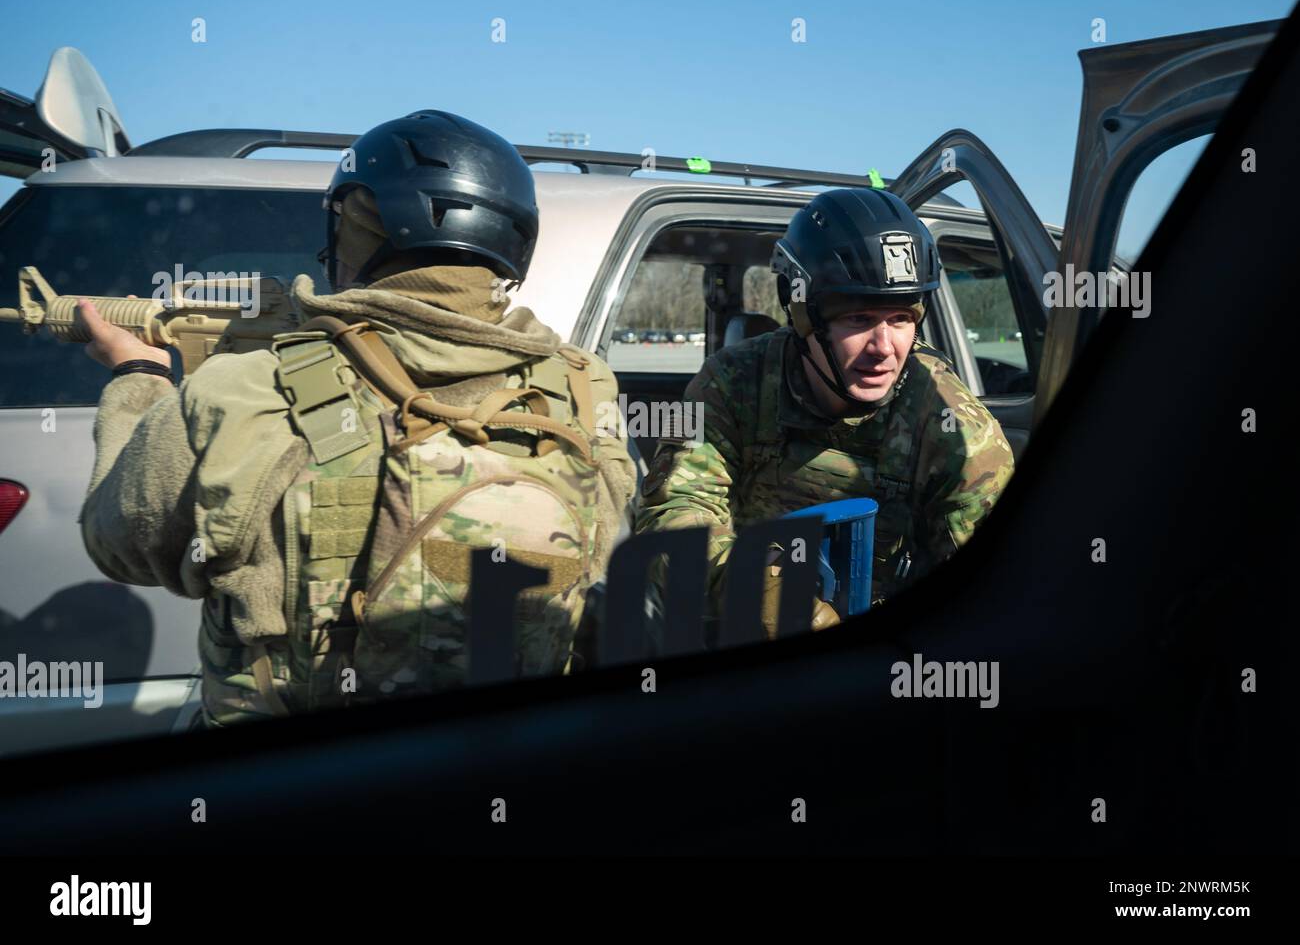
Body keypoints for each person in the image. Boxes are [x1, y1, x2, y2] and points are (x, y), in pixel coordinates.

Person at [77, 110, 636, 726]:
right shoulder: (584, 388)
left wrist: (140, 377)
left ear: (368, 232)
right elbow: (599, 538)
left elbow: (121, 544)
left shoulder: (242, 388)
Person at [635, 187, 1014, 634]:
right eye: (859, 319)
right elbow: (672, 518)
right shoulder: (729, 382)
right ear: (803, 315)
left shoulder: (953, 424)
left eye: (901, 320)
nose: (884, 348)